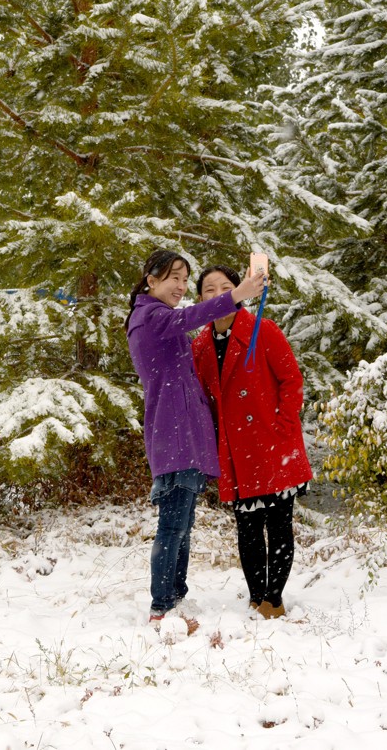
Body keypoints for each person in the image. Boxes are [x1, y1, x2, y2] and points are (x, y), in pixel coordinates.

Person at [126, 250, 266, 623]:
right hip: (174, 435)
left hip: (183, 435)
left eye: (185, 279)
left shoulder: (157, 318)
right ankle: (162, 605)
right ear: (151, 280)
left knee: (183, 524)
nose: (181, 286)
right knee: (173, 525)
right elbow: (191, 317)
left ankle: (176, 595)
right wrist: (237, 294)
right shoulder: (151, 317)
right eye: (174, 277)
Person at [191, 265, 314, 620]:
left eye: (225, 287)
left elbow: (291, 380)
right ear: (200, 299)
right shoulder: (200, 345)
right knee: (247, 528)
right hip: (235, 451)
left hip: (273, 444)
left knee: (278, 524)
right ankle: (256, 596)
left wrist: (282, 426)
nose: (218, 295)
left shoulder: (263, 330)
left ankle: (273, 600)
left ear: (241, 289)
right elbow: (203, 400)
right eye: (209, 289)